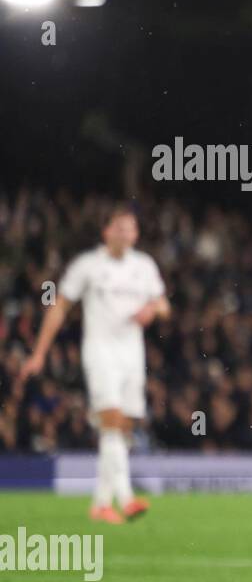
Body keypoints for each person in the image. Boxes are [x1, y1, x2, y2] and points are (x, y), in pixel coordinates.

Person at [19, 205, 169, 523]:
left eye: (130, 228)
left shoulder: (144, 266)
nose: (125, 233)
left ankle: (100, 503)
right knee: (112, 419)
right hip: (100, 351)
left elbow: (164, 304)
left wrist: (153, 311)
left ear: (136, 234)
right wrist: (39, 353)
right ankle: (126, 498)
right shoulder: (88, 266)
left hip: (132, 353)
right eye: (119, 227)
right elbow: (59, 307)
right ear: (106, 232)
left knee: (121, 428)